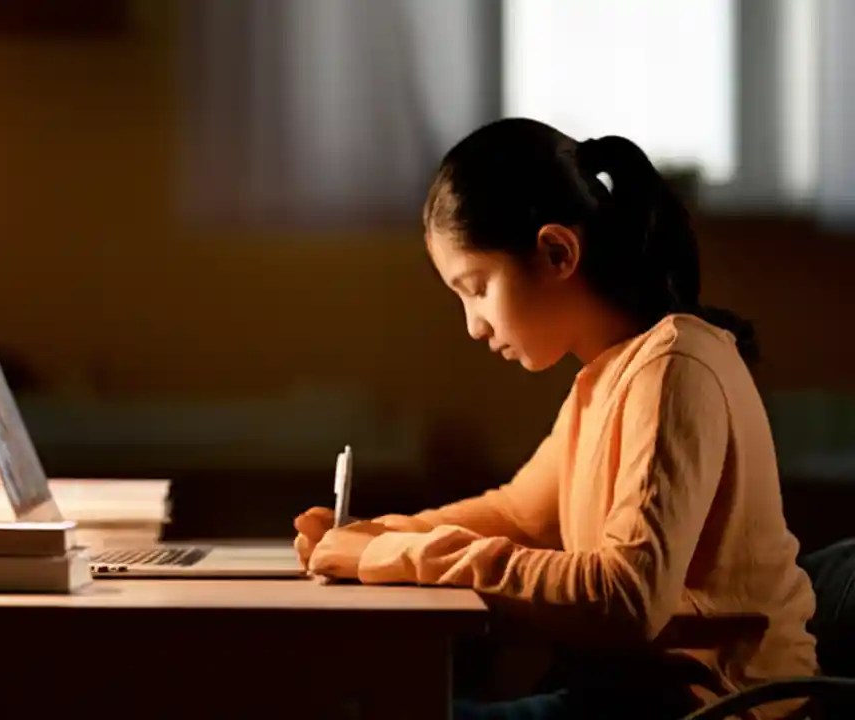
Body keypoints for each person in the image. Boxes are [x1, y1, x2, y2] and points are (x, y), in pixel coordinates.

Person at [293, 118, 817, 719]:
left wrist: (395, 556)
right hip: (627, 699)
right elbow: (518, 516)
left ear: (556, 251)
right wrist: (376, 535)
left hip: (709, 709)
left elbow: (626, 597)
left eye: (477, 287)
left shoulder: (675, 365)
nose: (474, 325)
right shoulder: (606, 379)